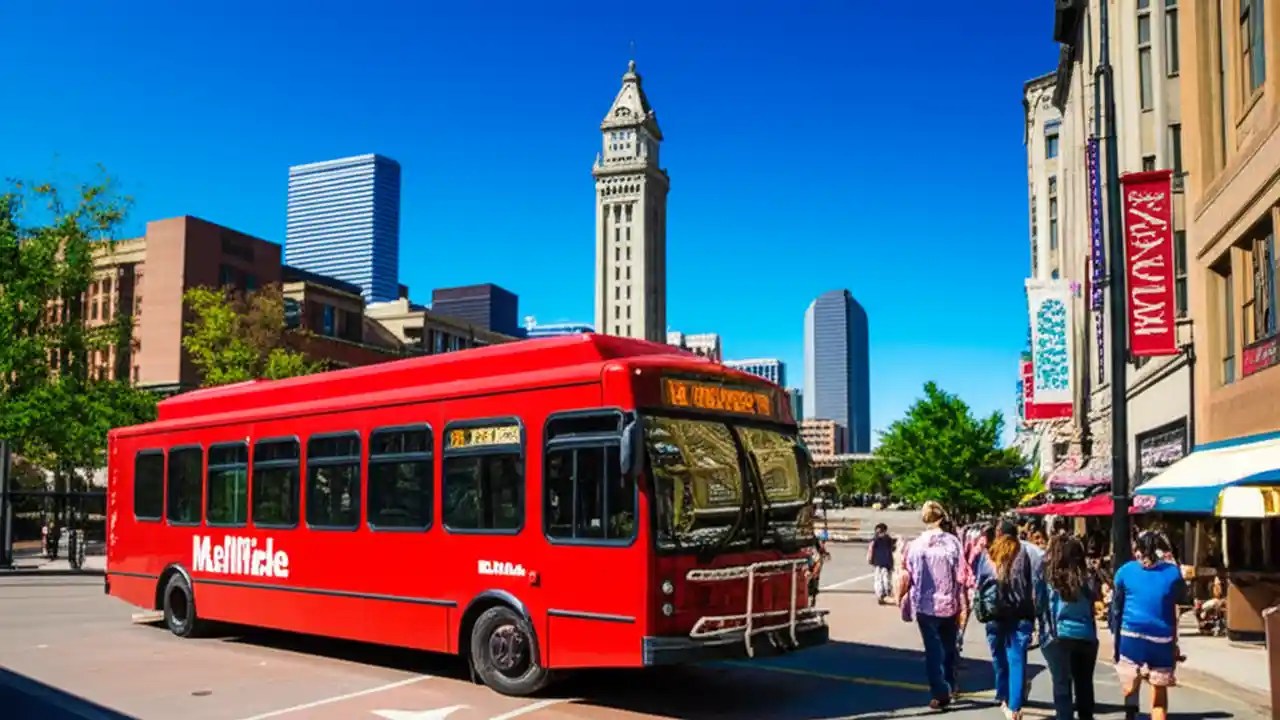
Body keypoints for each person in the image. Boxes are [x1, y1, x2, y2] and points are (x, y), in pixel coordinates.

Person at [896, 501, 967, 710]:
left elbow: (908, 573)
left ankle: (939, 692)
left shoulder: (915, 545)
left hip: (925, 605)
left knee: (932, 651)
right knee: (949, 647)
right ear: (942, 517)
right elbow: (961, 573)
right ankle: (951, 685)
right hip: (949, 603)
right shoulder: (953, 543)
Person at [1112, 531, 1186, 720]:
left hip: (1131, 635)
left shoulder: (1125, 571)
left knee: (1130, 684)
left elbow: (1116, 607)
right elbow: (1181, 599)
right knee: (1159, 698)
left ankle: (1131, 713)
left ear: (1137, 549)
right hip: (1161, 638)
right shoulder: (1172, 573)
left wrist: (1115, 635)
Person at [975, 520, 1036, 720]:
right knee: (1017, 660)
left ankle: (1002, 693)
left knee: (998, 656)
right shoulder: (1022, 554)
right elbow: (1028, 585)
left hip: (995, 614)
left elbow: (980, 584)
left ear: (999, 533)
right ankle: (1015, 705)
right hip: (1020, 615)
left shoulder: (989, 556)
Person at [1037, 534, 1099, 720]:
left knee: (1062, 686)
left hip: (1059, 635)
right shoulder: (1087, 578)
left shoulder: (1051, 578)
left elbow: (1041, 605)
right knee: (1084, 685)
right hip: (1086, 635)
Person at [867, 522, 896, 605]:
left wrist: (870, 559)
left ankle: (881, 595)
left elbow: (871, 550)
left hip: (878, 562)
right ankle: (886, 593)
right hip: (887, 562)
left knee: (879, 579)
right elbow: (893, 550)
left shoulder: (875, 540)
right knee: (886, 578)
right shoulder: (889, 539)